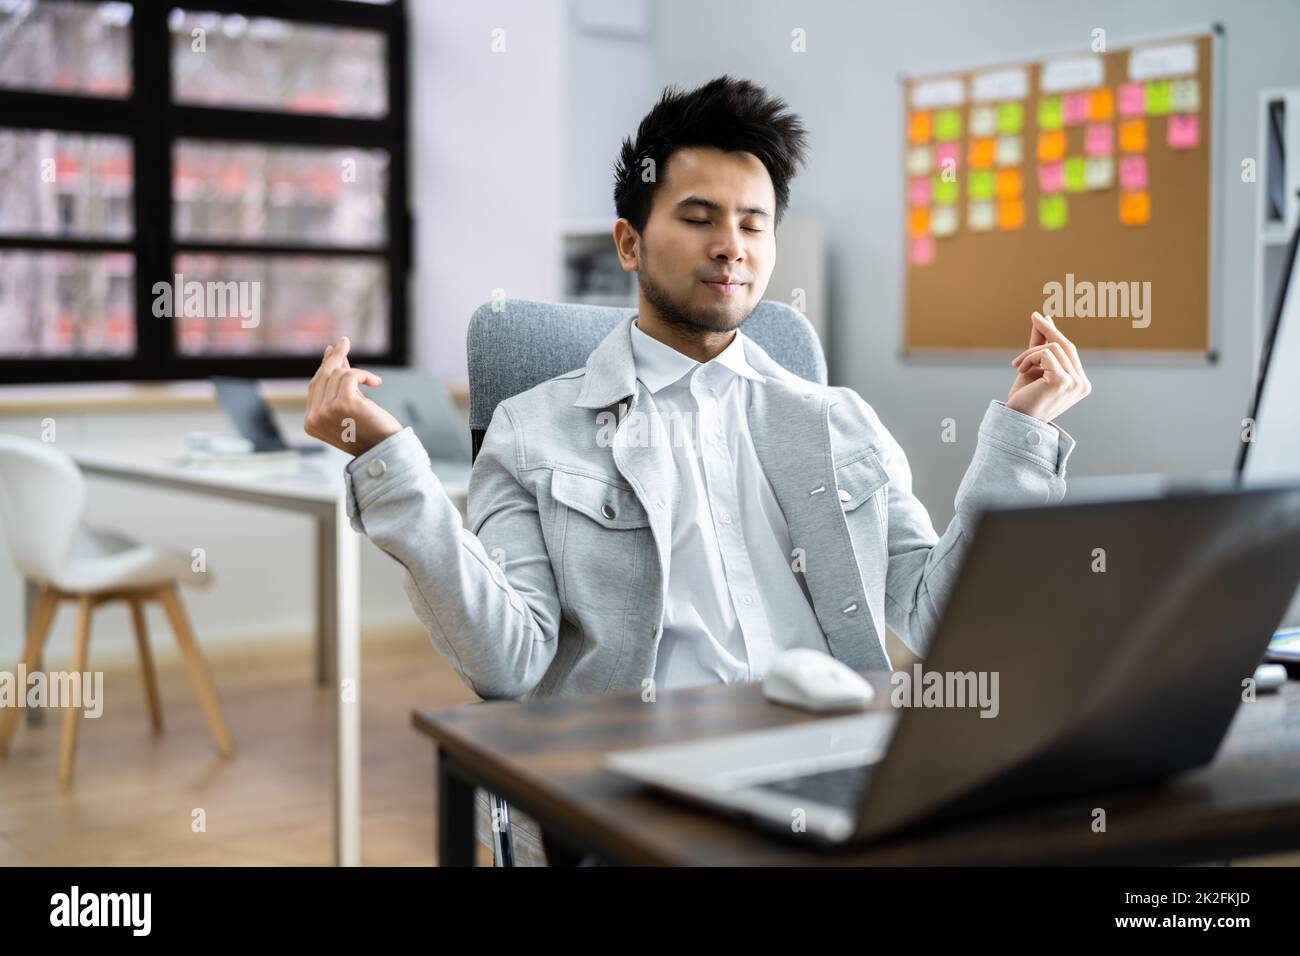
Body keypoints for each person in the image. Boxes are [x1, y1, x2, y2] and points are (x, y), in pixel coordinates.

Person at [304, 75, 1090, 863]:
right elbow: (505, 662)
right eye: (699, 217)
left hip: (834, 770)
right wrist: (389, 466)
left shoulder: (838, 421)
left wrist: (1019, 440)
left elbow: (935, 618)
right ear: (629, 243)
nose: (731, 246)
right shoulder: (535, 427)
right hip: (633, 790)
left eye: (753, 223)